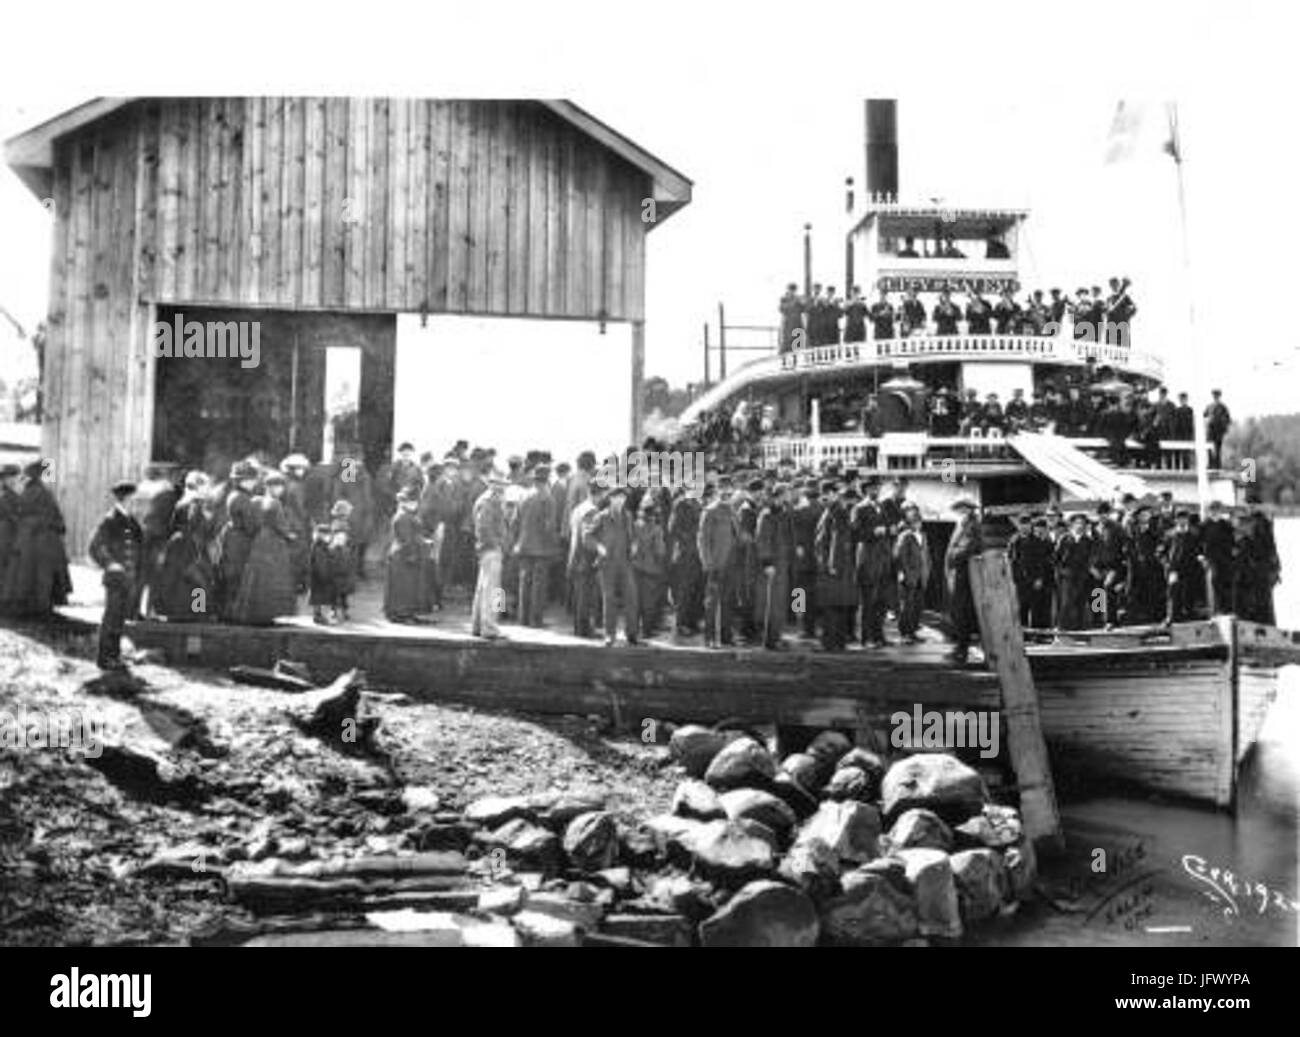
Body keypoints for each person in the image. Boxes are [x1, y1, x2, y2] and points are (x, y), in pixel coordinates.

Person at [2, 460, 73, 618]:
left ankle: (34, 606)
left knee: (32, 572)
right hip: (36, 537)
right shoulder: (42, 491)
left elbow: (22, 513)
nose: (19, 479)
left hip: (33, 538)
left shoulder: (32, 492)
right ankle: (38, 605)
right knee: (37, 573)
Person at [88, 480, 143, 671]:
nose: (137, 502)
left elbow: (139, 545)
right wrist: (110, 563)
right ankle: (104, 659)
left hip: (128, 579)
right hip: (115, 579)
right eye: (134, 499)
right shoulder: (110, 519)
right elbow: (94, 547)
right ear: (126, 498)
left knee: (119, 619)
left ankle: (115, 656)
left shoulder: (131, 519)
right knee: (111, 618)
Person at [230, 471, 298, 626]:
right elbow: (281, 526)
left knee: (256, 577)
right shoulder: (275, 503)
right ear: (271, 487)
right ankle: (267, 615)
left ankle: (252, 613)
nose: (280, 489)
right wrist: (291, 536)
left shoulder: (255, 500)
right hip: (273, 543)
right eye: (278, 486)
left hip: (258, 540)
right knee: (271, 577)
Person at [154, 470, 215, 622]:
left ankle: (178, 611)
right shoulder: (195, 504)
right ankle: (196, 612)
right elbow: (195, 527)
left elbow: (173, 526)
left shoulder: (182, 503)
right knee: (197, 581)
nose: (208, 489)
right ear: (199, 486)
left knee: (178, 581)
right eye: (205, 485)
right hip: (191, 547)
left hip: (178, 545)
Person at [586, 485, 639, 646]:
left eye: (623, 498)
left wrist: (635, 544)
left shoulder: (628, 516)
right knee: (609, 599)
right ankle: (610, 634)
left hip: (625, 562)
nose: (621, 501)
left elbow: (634, 535)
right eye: (617, 497)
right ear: (610, 499)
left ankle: (632, 634)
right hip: (607, 564)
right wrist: (599, 547)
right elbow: (587, 536)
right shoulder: (602, 516)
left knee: (631, 598)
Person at [513, 464, 558, 628]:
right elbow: (549, 527)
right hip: (541, 549)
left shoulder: (524, 496)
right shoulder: (548, 498)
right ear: (547, 479)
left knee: (524, 583)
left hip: (524, 546)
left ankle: (522, 618)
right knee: (539, 585)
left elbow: (514, 522)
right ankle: (535, 620)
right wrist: (554, 545)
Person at [815, 483, 857, 652]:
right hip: (835, 566)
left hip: (833, 567)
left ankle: (831, 642)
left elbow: (837, 540)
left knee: (831, 606)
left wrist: (833, 564)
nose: (823, 497)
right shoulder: (834, 511)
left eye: (827, 494)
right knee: (837, 605)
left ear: (833, 494)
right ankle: (837, 642)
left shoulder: (836, 512)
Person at [852, 478, 893, 648]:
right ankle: (866, 638)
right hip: (867, 559)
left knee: (881, 601)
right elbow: (855, 533)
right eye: (873, 488)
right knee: (868, 601)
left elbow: (887, 528)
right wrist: (874, 531)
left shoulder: (882, 507)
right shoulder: (859, 508)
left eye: (878, 488)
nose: (876, 491)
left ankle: (878, 636)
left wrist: (889, 530)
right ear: (866, 490)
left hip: (882, 559)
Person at [698, 480, 738, 648]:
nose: (727, 497)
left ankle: (726, 636)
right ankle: (710, 638)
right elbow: (702, 540)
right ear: (717, 492)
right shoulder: (709, 512)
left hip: (730, 563)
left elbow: (737, 534)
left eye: (730, 494)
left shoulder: (731, 511)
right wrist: (708, 564)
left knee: (728, 601)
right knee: (712, 603)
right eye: (724, 494)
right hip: (715, 564)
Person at [754, 483, 794, 649]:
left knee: (780, 602)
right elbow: (762, 540)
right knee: (771, 603)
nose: (789, 496)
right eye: (787, 493)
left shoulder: (784, 513)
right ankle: (770, 641)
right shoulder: (767, 515)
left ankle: (777, 636)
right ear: (780, 495)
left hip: (782, 563)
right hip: (773, 564)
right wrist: (767, 562)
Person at [943, 498, 983, 663]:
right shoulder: (963, 524)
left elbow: (968, 547)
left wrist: (952, 557)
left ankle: (962, 648)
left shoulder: (971, 525)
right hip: (958, 571)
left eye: (961, 509)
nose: (958, 511)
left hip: (964, 572)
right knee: (959, 611)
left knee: (963, 611)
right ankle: (961, 646)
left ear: (967, 510)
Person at [384, 486, 428, 624]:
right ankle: (401, 614)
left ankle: (406, 613)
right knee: (403, 587)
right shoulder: (403, 517)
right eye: (410, 501)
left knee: (408, 586)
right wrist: (414, 550)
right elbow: (406, 539)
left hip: (404, 554)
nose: (414, 504)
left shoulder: (407, 515)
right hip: (403, 555)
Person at [667, 485, 705, 635]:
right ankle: (681, 624)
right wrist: (689, 539)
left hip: (698, 554)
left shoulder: (698, 504)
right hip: (685, 553)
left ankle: (692, 621)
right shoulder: (680, 505)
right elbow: (673, 528)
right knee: (684, 591)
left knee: (696, 590)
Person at [631, 496, 668, 639]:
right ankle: (647, 630)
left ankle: (634, 628)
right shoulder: (656, 529)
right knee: (649, 601)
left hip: (635, 567)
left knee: (636, 600)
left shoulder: (635, 525)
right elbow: (660, 550)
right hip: (651, 569)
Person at [893, 503, 930, 645]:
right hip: (909, 576)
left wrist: (927, 571)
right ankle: (905, 633)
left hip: (921, 576)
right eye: (915, 522)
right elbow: (899, 556)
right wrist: (903, 572)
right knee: (907, 606)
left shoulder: (923, 536)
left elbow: (927, 556)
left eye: (919, 522)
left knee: (917, 606)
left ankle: (913, 631)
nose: (918, 524)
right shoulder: (905, 536)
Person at [1089, 501, 1128, 628]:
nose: (1103, 516)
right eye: (1100, 514)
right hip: (1098, 566)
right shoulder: (1093, 529)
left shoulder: (1117, 528)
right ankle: (1097, 619)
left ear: (1109, 514)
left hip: (1113, 566)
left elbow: (1124, 547)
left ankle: (1110, 620)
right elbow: (1090, 549)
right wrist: (1092, 566)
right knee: (1097, 590)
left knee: (1108, 586)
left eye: (1105, 514)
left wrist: (1121, 567)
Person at [1124, 506, 1165, 625]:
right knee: (1133, 590)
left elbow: (1160, 544)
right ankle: (1134, 616)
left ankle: (1153, 616)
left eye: (1147, 515)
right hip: (1136, 565)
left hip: (1152, 565)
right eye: (1142, 515)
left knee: (1153, 590)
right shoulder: (1133, 530)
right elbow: (1128, 546)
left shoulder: (1155, 529)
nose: (1145, 517)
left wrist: (1156, 554)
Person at [1161, 509, 1202, 624]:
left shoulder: (1194, 533)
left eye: (1184, 518)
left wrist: (1199, 557)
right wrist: (1167, 564)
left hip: (1190, 567)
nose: (1182, 521)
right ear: (1175, 520)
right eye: (1179, 518)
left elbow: (1199, 549)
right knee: (1173, 591)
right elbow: (1161, 551)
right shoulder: (1170, 534)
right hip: (1174, 568)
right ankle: (1171, 616)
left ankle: (1189, 614)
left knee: (1189, 591)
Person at [1054, 512, 1093, 631]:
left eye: (1082, 523)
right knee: (1066, 603)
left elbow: (1091, 557)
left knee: (1080, 602)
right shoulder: (1065, 539)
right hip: (1067, 575)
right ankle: (1063, 628)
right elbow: (1056, 558)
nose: (1080, 526)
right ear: (1072, 525)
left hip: (1082, 575)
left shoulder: (1088, 541)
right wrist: (1061, 571)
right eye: (1077, 523)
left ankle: (1079, 628)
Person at [1199, 500, 1235, 615]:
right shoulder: (1204, 525)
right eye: (1213, 510)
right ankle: (1216, 609)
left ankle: (1227, 609)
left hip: (1226, 559)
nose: (1215, 512)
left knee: (1227, 583)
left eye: (1217, 510)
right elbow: (1200, 542)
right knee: (1215, 582)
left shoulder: (1226, 525)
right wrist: (1202, 557)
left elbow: (1232, 541)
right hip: (1211, 559)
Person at [0, 464, 22, 614]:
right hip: (6, 532)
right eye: (10, 477)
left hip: (11, 531)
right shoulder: (6, 496)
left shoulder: (13, 494)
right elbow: (13, 516)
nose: (13, 480)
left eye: (15, 477)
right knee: (6, 564)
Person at [308, 523, 336, 625]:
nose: (329, 537)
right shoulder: (319, 547)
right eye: (327, 535)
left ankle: (319, 616)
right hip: (319, 578)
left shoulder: (320, 546)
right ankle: (318, 617)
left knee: (319, 599)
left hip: (318, 577)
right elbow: (321, 564)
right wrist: (325, 576)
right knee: (319, 599)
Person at [1204, 390, 1231, 469]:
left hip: (1218, 431)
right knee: (1209, 448)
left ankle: (1218, 466)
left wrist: (1224, 429)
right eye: (1214, 396)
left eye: (1217, 396)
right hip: (1210, 431)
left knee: (1218, 449)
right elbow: (1204, 415)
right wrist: (1207, 421)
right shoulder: (1209, 406)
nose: (1215, 397)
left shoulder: (1223, 407)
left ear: (1219, 397)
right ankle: (1210, 464)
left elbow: (1228, 419)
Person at [779, 283, 804, 353]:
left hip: (797, 325)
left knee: (796, 347)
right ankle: (784, 361)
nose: (792, 292)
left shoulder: (799, 299)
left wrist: (802, 302)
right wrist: (794, 302)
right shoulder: (784, 299)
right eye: (791, 290)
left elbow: (804, 309)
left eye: (794, 290)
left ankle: (795, 361)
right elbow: (782, 309)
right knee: (786, 345)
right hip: (788, 325)